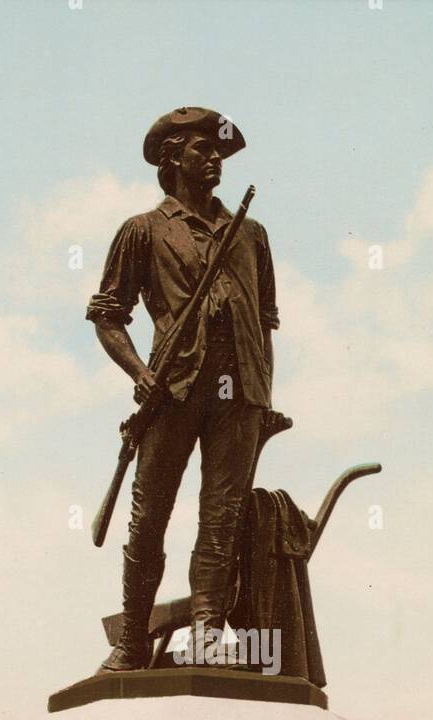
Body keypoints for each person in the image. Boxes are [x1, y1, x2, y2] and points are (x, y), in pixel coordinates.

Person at [86, 106, 279, 670]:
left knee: (223, 517)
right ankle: (131, 644)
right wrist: (140, 375)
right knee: (149, 519)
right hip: (173, 387)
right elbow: (107, 314)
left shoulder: (252, 234)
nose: (215, 159)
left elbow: (265, 320)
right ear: (172, 160)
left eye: (219, 151)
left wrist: (263, 396)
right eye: (203, 150)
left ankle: (205, 635)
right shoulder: (143, 230)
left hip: (239, 390)